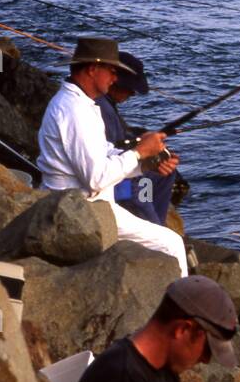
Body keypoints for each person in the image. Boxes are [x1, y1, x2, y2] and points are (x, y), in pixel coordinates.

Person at [37, 38, 188, 276]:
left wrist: (147, 162)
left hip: (84, 202)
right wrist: (139, 152)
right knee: (171, 244)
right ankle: (176, 308)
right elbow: (97, 178)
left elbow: (105, 154)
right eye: (112, 71)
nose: (115, 78)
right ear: (92, 69)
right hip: (81, 209)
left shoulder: (82, 104)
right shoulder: (75, 110)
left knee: (164, 239)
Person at [67, 275, 238, 382]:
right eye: (207, 349)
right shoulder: (122, 381)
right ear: (183, 329)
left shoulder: (166, 371)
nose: (206, 359)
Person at [98, 52, 178, 226]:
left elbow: (118, 142)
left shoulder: (106, 104)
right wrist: (144, 152)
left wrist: (152, 152)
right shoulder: (101, 108)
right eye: (130, 88)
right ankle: (152, 226)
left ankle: (157, 221)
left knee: (166, 174)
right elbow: (111, 153)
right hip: (120, 182)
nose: (133, 94)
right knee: (144, 183)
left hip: (124, 167)